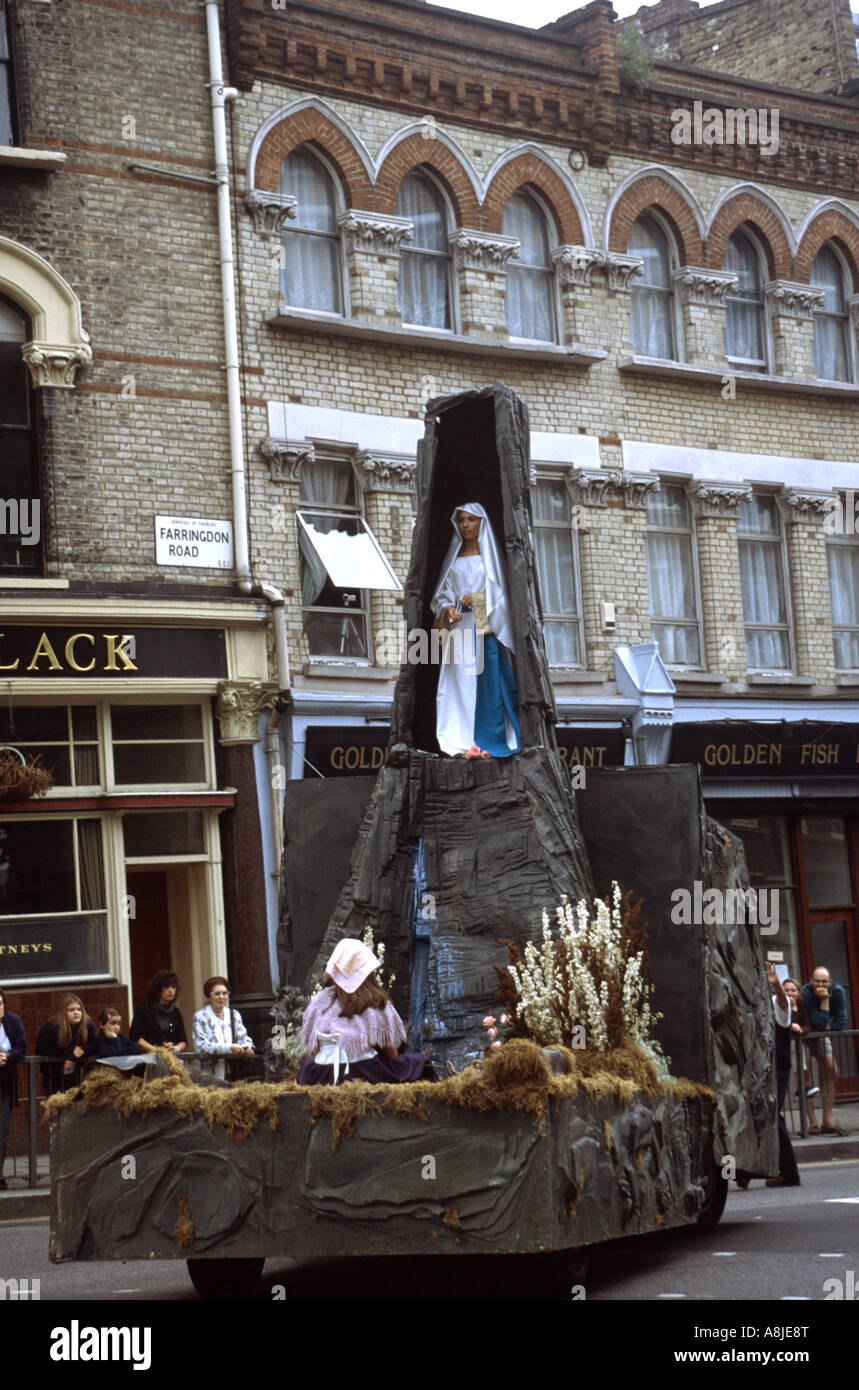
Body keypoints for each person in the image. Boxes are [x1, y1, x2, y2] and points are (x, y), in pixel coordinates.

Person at [430, 503, 521, 758]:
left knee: (483, 683)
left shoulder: (490, 557)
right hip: (459, 629)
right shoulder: (453, 556)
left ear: (482, 523)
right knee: (458, 684)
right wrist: (449, 607)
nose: (465, 525)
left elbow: (500, 594)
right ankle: (460, 739)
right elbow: (444, 590)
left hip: (483, 627)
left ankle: (487, 738)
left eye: (471, 519)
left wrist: (480, 598)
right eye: (461, 520)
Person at [297, 939, 438, 1087]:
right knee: (419, 1063)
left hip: (323, 1073)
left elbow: (316, 1051)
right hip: (364, 1070)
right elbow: (391, 1054)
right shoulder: (376, 1000)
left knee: (306, 1067)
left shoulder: (321, 1000)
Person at [800, 966, 847, 1133]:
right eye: (817, 981)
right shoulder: (806, 992)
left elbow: (841, 1022)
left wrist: (825, 1027)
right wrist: (825, 1000)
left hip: (819, 1034)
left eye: (824, 981)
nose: (820, 985)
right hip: (801, 1034)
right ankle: (812, 1122)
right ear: (811, 981)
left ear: (830, 982)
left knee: (831, 1070)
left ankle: (827, 1120)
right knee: (805, 1074)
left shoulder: (838, 991)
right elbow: (818, 1022)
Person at [192, 976, 255, 1079]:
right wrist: (229, 1048)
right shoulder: (200, 1016)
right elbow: (201, 1046)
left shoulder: (234, 1014)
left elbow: (243, 1038)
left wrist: (247, 1047)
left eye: (224, 993)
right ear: (209, 996)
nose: (221, 997)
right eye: (217, 994)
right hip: (209, 1075)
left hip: (234, 1072)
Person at [35, 994, 98, 1095]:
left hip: (78, 1077)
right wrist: (69, 1051)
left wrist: (77, 1054)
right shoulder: (51, 1026)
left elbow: (95, 1045)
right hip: (54, 1077)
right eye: (71, 1010)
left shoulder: (87, 1025)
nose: (76, 1012)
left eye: (79, 1009)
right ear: (63, 1012)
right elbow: (41, 1049)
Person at [783, 978, 818, 1131]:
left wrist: (801, 1030)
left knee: (803, 1078)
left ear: (798, 992)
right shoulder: (778, 1003)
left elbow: (809, 1025)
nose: (790, 993)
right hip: (782, 1046)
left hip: (797, 1045)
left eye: (793, 990)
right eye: (786, 990)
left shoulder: (802, 1005)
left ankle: (812, 1122)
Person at [0, 987, 27, 1189]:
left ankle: (0, 1174)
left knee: (1, 1129)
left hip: (5, 1084)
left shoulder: (12, 1021)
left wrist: (8, 1056)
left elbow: (22, 1047)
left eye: (0, 1003)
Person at [130, 971, 188, 1054]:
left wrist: (175, 1048)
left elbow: (183, 1041)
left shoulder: (176, 1012)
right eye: (166, 987)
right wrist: (156, 1050)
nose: (171, 990)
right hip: (150, 1056)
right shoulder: (144, 1010)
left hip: (173, 1056)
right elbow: (135, 1037)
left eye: (173, 987)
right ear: (158, 989)